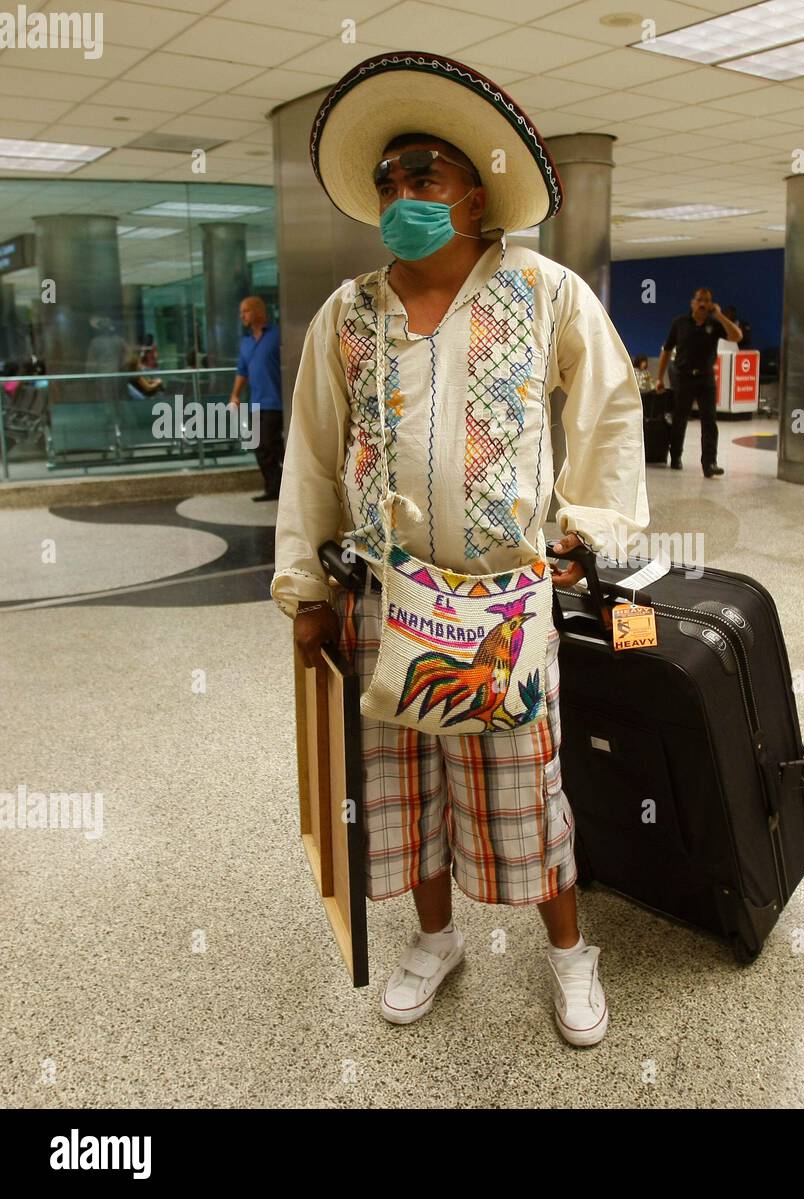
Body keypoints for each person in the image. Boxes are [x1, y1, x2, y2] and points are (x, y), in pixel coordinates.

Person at [272, 51, 648, 1047]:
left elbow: (610, 409)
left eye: (424, 174)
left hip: (500, 610)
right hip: (379, 599)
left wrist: (589, 529)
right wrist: (305, 585)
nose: (402, 194)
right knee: (401, 789)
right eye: (390, 180)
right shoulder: (348, 315)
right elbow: (312, 451)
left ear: (475, 191)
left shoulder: (542, 292)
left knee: (523, 791)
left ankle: (570, 954)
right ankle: (433, 939)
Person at [656, 287, 742, 476]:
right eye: (700, 300)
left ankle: (709, 463)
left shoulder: (715, 324)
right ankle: (676, 456)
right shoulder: (679, 323)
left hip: (706, 378)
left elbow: (737, 336)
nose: (703, 304)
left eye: (707, 300)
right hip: (683, 376)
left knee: (709, 420)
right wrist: (660, 378)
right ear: (692, 302)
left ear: (711, 304)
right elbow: (667, 350)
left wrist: (720, 316)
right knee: (680, 419)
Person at [229, 296, 282, 501]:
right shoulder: (246, 343)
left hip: (276, 402)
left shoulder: (277, 336)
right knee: (259, 447)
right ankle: (274, 488)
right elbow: (242, 371)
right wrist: (234, 395)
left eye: (246, 311)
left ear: (259, 312)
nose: (242, 315)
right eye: (241, 312)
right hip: (257, 403)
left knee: (271, 442)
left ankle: (293, 481)